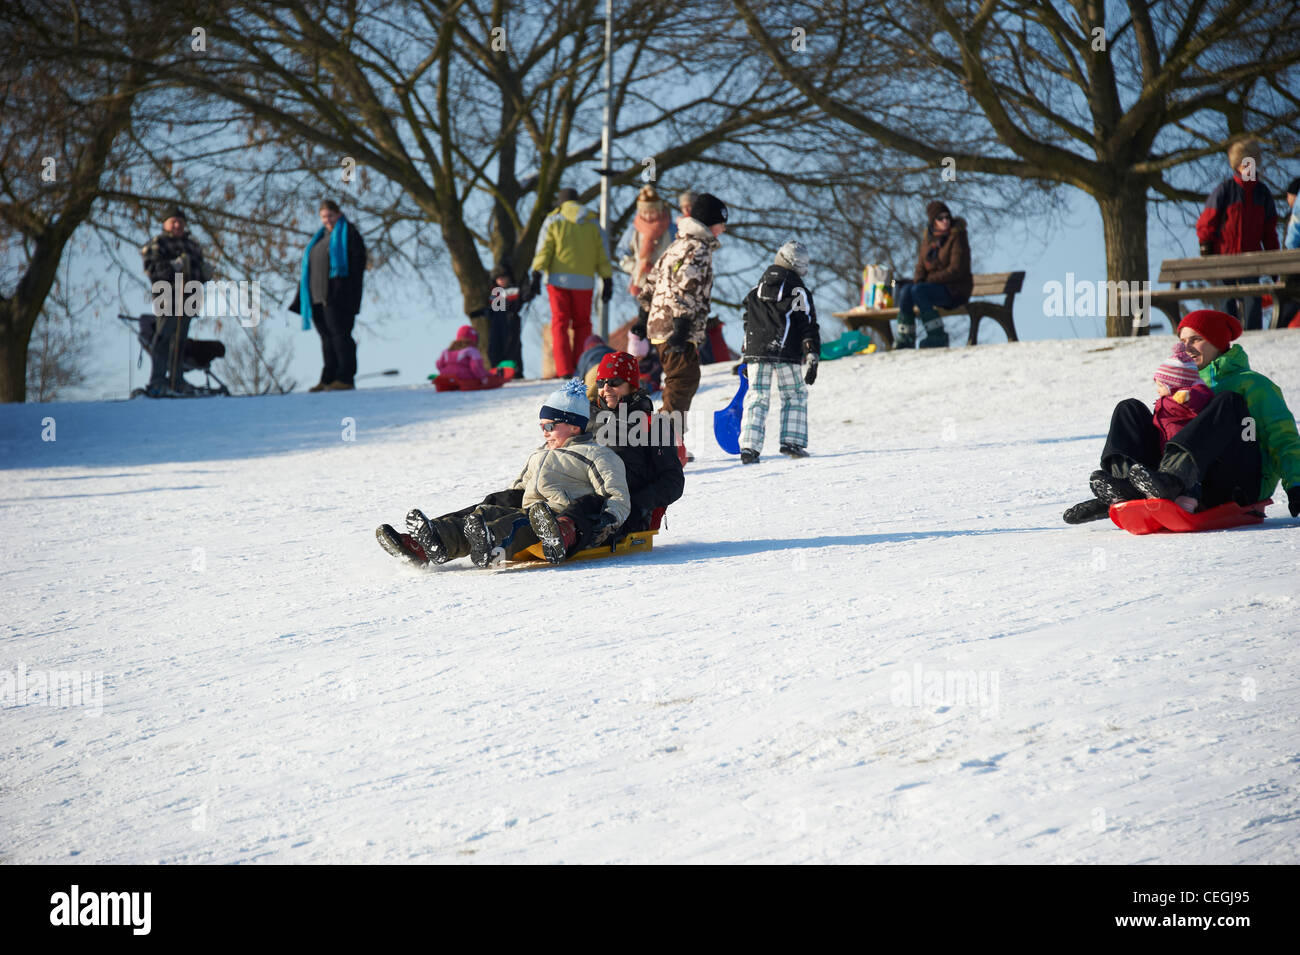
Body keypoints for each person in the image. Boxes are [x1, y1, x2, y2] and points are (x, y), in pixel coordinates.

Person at [1063, 309, 1300, 524]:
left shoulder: (1253, 384)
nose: (1187, 347)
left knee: (1227, 401)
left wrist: (1297, 484)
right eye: (1183, 341)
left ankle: (1172, 479)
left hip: (1238, 481)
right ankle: (1127, 487)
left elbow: (1283, 438)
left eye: (1196, 339)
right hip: (1188, 486)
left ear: (1218, 342)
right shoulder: (1183, 383)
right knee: (1130, 409)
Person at [377, 379, 630, 567]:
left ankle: (491, 542)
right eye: (541, 426)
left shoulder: (597, 454)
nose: (544, 431)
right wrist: (496, 503)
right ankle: (430, 542)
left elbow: (616, 494)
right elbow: (518, 488)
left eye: (551, 426)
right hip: (532, 509)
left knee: (519, 522)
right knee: (488, 510)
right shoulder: (540, 453)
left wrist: (608, 520)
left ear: (575, 427)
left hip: (558, 515)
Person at [637, 191, 728, 461]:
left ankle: (666, 441)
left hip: (661, 324)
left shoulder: (677, 245)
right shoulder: (697, 248)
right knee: (682, 381)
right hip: (676, 327)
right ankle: (664, 446)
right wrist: (682, 326)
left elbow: (651, 281)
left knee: (680, 380)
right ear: (712, 223)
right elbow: (686, 287)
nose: (724, 229)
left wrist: (644, 318)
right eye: (723, 223)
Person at [738, 240, 821, 463]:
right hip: (785, 350)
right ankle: (791, 442)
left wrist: (746, 356)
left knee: (756, 396)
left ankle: (749, 448)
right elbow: (808, 324)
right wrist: (812, 353)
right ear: (799, 266)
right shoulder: (799, 292)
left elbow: (749, 323)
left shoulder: (755, 291)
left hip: (757, 352)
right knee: (794, 394)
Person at [590, 351, 685, 537]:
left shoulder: (653, 424)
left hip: (628, 511)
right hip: (582, 497)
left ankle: (565, 532)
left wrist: (639, 504)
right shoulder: (585, 418)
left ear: (632, 386)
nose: (606, 388)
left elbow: (673, 481)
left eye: (615, 382)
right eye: (601, 383)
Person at [1195, 139, 1279, 331]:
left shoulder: (1263, 194)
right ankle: (1227, 335)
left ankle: (1253, 336)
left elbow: (1269, 232)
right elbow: (1207, 221)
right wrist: (1207, 247)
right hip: (1226, 257)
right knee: (1227, 302)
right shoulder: (1225, 190)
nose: (1248, 168)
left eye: (1251, 163)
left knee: (1252, 300)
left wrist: (1275, 263)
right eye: (1244, 164)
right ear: (1237, 166)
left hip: (1251, 259)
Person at [529, 188, 614, 378]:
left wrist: (537, 272)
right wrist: (607, 278)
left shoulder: (553, 220)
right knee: (583, 324)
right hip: (585, 282)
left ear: (561, 202)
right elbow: (602, 253)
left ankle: (564, 370)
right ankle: (582, 365)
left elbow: (545, 249)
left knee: (560, 323)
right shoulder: (592, 222)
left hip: (557, 281)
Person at [291, 199, 367, 391]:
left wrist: (341, 289)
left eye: (330, 215)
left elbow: (357, 265)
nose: (328, 220)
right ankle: (328, 378)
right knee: (326, 338)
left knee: (341, 336)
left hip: (338, 297)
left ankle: (345, 377)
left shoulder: (349, 234)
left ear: (339, 214)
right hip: (316, 297)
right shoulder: (319, 237)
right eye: (324, 216)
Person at [141, 207, 212, 396]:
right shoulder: (158, 243)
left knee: (180, 340)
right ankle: (157, 380)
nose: (177, 225)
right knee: (164, 336)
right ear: (165, 224)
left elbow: (199, 273)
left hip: (190, 297)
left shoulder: (192, 246)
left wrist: (204, 272)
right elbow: (152, 270)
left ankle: (177, 379)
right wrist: (173, 267)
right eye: (173, 221)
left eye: (180, 221)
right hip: (167, 295)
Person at [896, 201, 972, 349]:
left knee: (919, 290)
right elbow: (920, 265)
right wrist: (919, 279)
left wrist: (927, 281)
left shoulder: (958, 236)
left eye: (947, 217)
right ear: (933, 222)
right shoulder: (928, 238)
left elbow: (956, 270)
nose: (945, 221)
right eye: (940, 218)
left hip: (954, 289)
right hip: (931, 286)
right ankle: (906, 338)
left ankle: (937, 335)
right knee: (905, 290)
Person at [468, 262, 528, 377]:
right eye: (498, 279)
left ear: (508, 278)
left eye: (503, 278)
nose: (501, 280)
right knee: (494, 348)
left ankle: (515, 371)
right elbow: (493, 309)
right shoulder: (495, 293)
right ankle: (497, 370)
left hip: (510, 322)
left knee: (512, 347)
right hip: (497, 323)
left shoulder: (513, 290)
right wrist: (480, 312)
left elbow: (520, 301)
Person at [618, 185, 676, 298]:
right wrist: (635, 268)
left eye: (652, 212)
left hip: (666, 282)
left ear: (659, 211)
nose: (648, 216)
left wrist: (672, 271)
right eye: (645, 212)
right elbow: (622, 253)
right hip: (641, 283)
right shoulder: (633, 230)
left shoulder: (671, 229)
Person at [431, 325, 502, 391]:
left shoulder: (447, 351)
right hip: (464, 377)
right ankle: (495, 375)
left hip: (447, 376)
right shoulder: (472, 351)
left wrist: (445, 372)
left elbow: (439, 364)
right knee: (484, 374)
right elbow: (476, 367)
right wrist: (483, 378)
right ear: (474, 339)